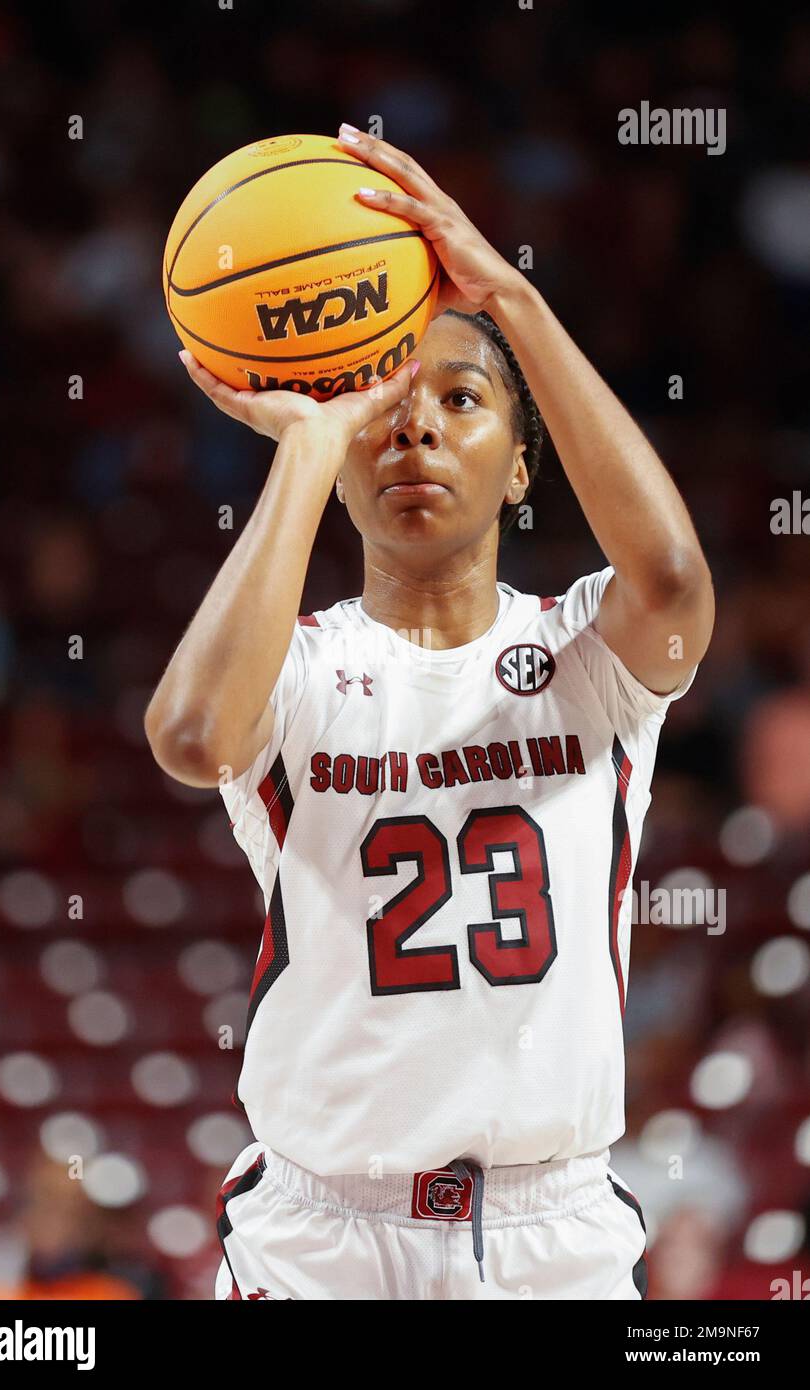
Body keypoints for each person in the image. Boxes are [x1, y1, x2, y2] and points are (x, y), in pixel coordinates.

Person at [145, 125, 715, 1300]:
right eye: (383, 406)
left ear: (518, 465)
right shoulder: (294, 673)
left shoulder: (586, 654)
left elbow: (671, 580)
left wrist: (504, 291)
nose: (412, 426)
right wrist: (310, 441)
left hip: (550, 1226)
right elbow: (193, 736)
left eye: (459, 400)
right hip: (320, 1230)